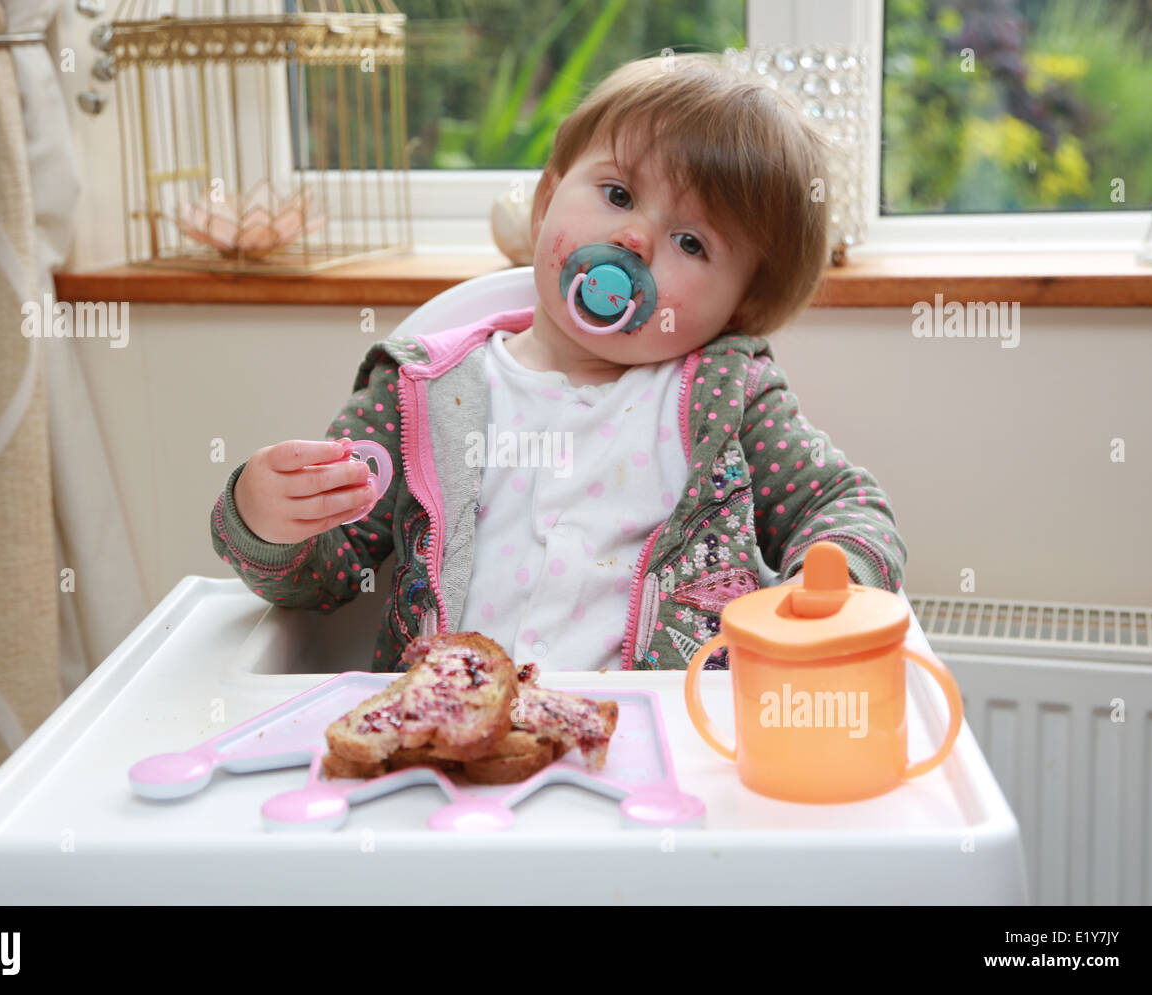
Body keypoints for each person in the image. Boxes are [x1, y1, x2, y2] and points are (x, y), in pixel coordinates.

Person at [211, 53, 908, 672]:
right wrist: (266, 518)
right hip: (449, 743)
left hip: (666, 750)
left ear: (741, 306)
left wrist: (833, 579)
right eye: (618, 194)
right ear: (547, 201)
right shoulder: (421, 390)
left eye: (691, 242)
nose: (634, 237)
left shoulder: (730, 395)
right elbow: (324, 578)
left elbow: (842, 503)